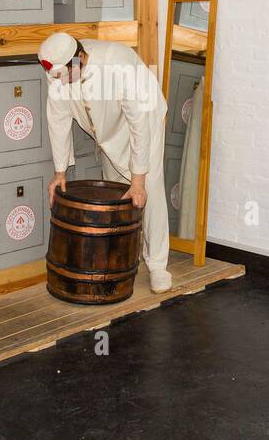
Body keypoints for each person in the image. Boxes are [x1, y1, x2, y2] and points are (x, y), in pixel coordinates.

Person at [39, 32, 172, 292]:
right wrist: (59, 172)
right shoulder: (57, 70)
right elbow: (57, 119)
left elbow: (138, 124)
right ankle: (125, 254)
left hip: (145, 118)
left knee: (150, 189)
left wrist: (138, 180)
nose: (60, 83)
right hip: (106, 130)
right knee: (115, 189)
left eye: (64, 76)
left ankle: (157, 264)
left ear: (79, 59)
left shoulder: (117, 65)